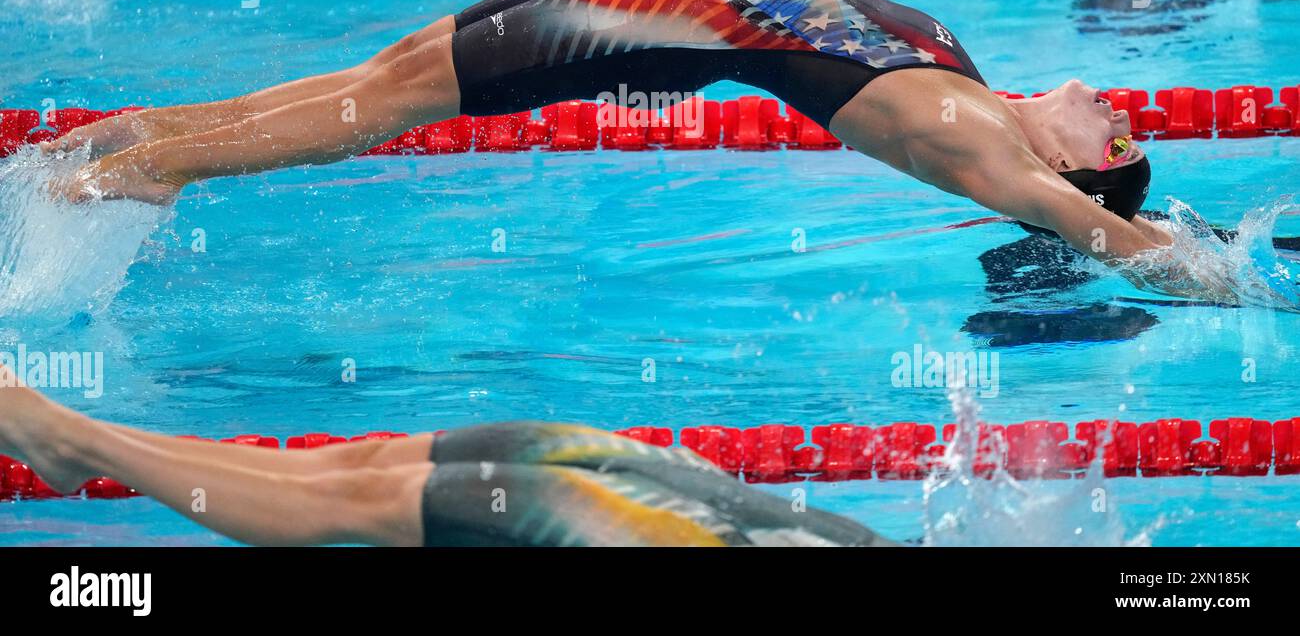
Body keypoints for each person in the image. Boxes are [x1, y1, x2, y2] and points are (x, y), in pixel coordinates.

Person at [45, 0, 1216, 300]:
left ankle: (140, 173)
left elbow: (1108, 239)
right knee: (385, 71)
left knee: (386, 98)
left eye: (1118, 128)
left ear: (1084, 161)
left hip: (623, 27)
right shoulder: (975, 89)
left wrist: (1224, 272)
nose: (1114, 106)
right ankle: (116, 147)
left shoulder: (995, 155)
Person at [0, 363, 891, 546]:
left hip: (693, 500)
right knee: (355, 500)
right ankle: (70, 440)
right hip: (674, 534)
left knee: (363, 474)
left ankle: (70, 434)